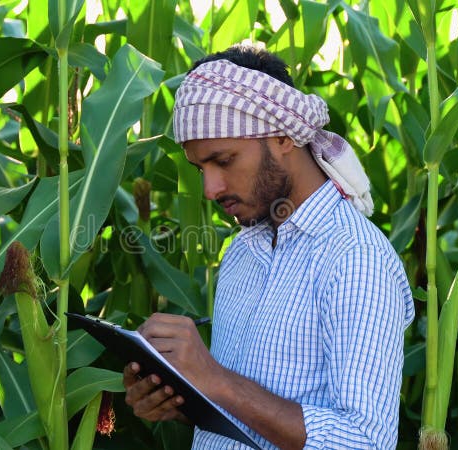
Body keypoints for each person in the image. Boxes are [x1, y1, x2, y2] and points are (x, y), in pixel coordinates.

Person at [123, 44, 414, 450]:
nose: (210, 189)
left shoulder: (355, 259)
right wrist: (182, 396)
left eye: (223, 161)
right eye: (200, 169)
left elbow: (364, 441)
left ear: (281, 136)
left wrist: (216, 379)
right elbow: (243, 409)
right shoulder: (240, 254)